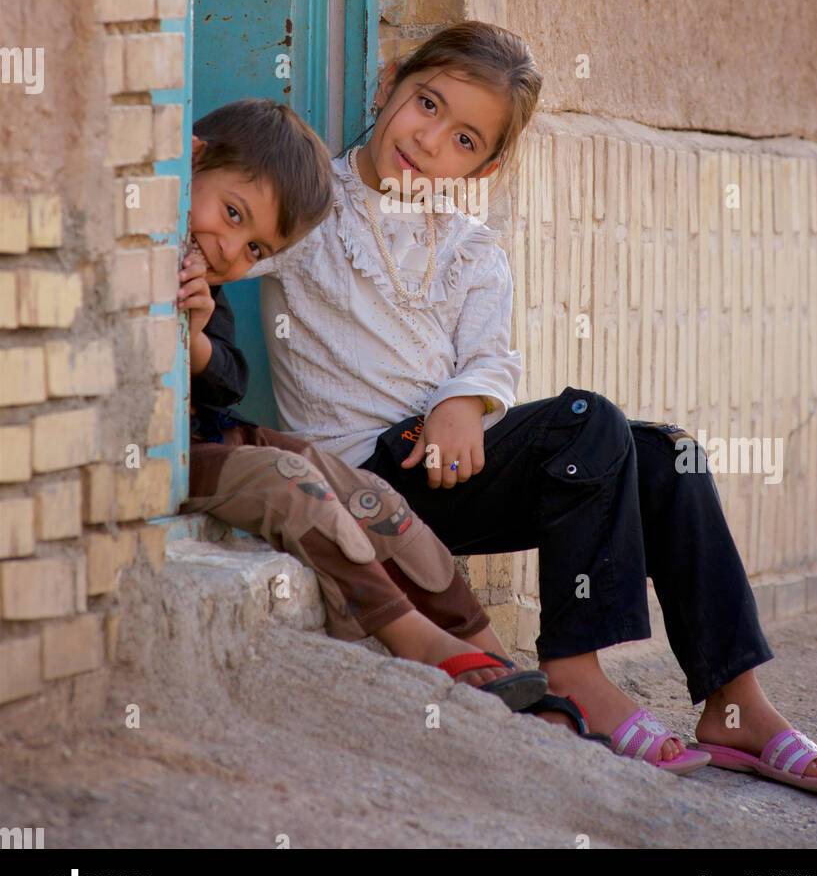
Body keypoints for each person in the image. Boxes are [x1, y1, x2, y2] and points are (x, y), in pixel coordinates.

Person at [251, 24, 817, 792]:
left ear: (485, 163)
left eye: (463, 137)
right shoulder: (313, 205)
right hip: (366, 480)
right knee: (586, 418)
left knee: (666, 454)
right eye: (425, 104)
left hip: (457, 470)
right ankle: (572, 671)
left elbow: (489, 356)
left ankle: (735, 701)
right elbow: (233, 216)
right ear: (389, 84)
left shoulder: (469, 248)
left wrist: (463, 401)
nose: (429, 138)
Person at [175, 97, 549, 713]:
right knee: (290, 479)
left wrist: (196, 340)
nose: (227, 248)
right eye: (232, 213)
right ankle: (415, 639)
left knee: (371, 497)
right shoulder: (141, 247)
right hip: (167, 455)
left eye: (255, 250)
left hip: (217, 435)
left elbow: (229, 377)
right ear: (190, 159)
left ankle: (490, 651)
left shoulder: (206, 278)